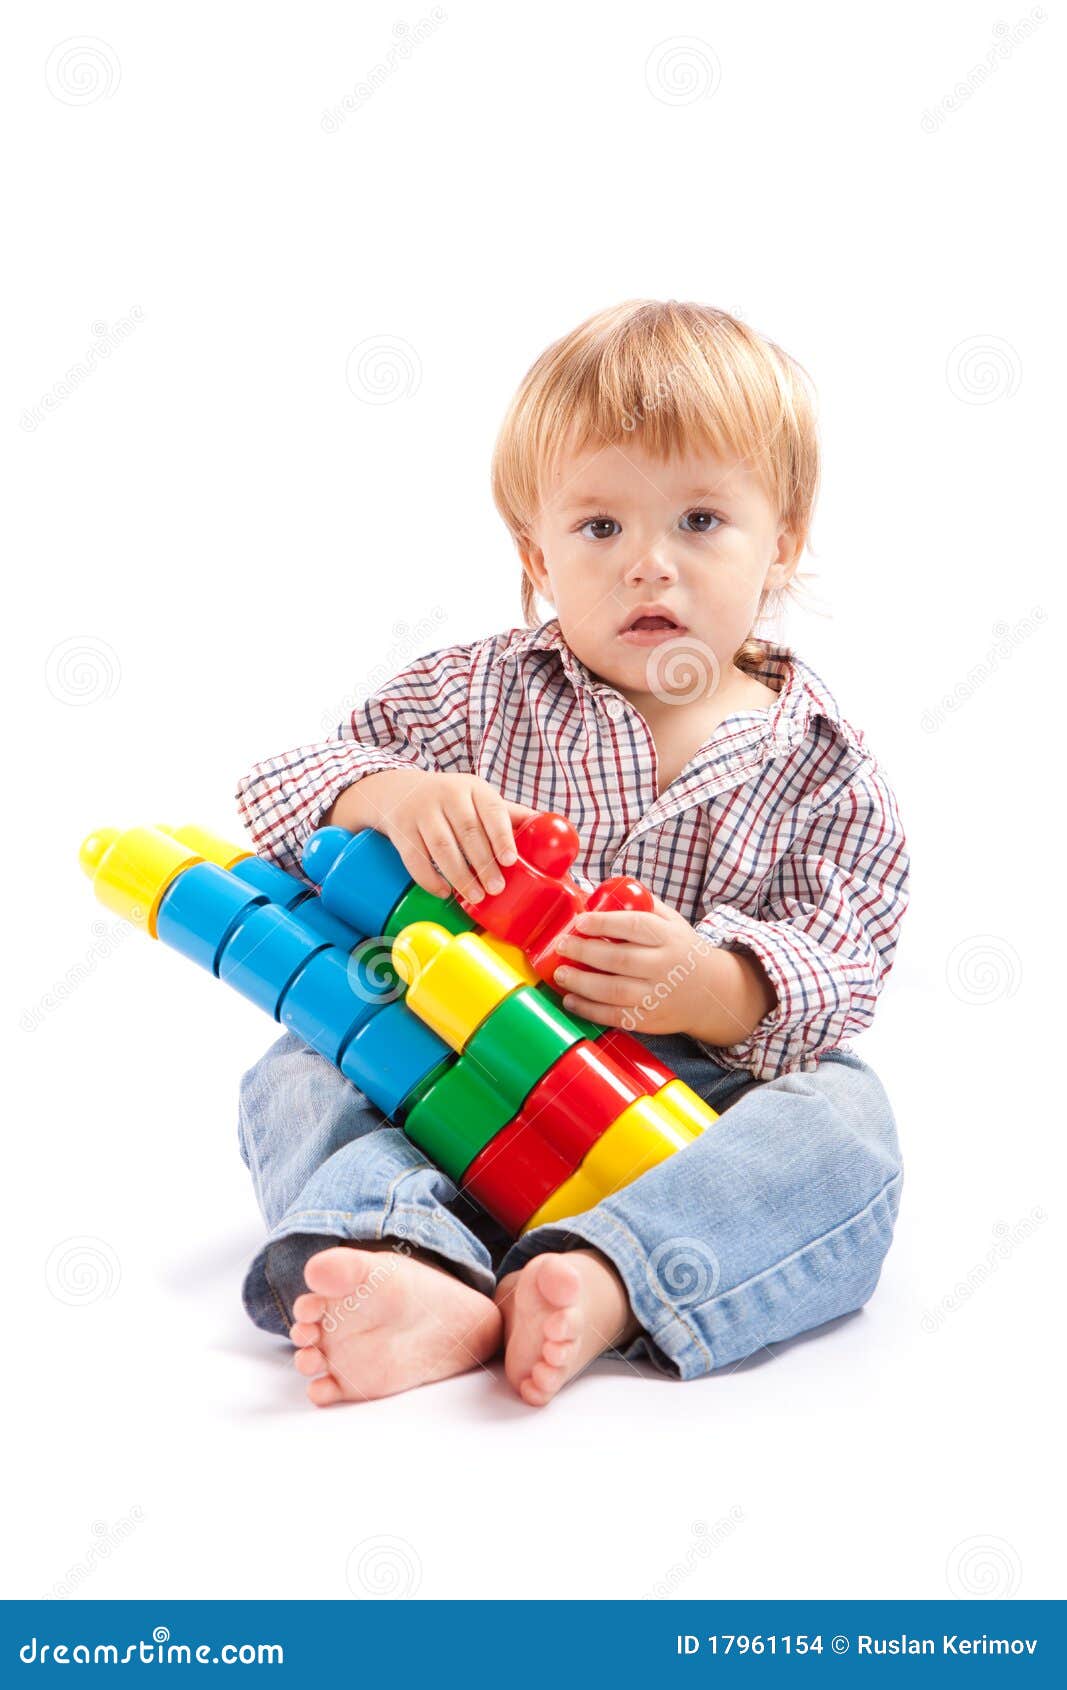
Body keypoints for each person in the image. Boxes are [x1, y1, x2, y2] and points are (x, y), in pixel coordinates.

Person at [234, 299, 909, 1408]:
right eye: (600, 529)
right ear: (534, 551)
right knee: (301, 1065)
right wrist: (388, 793)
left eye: (699, 520)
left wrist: (713, 984)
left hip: (685, 1114)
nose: (649, 566)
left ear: (780, 539)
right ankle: (411, 1260)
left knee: (846, 1120)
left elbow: (843, 967)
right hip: (451, 1069)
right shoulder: (470, 694)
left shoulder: (822, 765)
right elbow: (276, 793)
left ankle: (609, 1270)